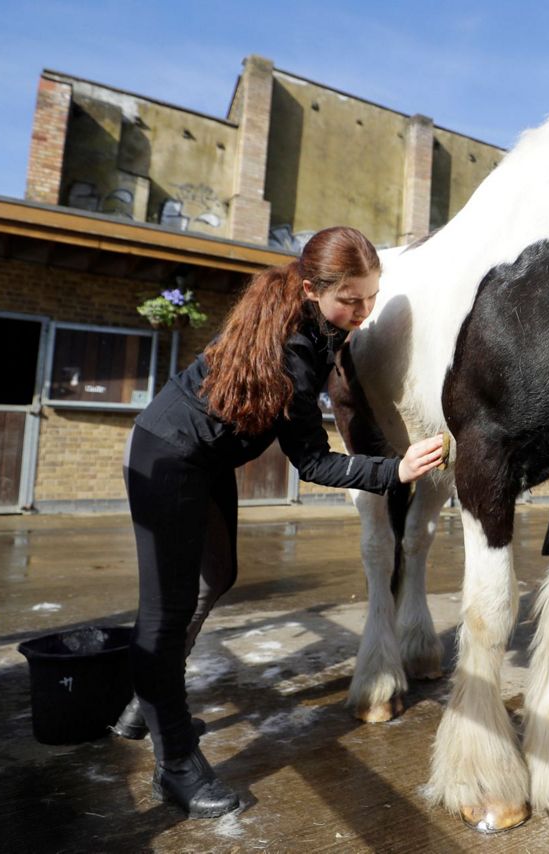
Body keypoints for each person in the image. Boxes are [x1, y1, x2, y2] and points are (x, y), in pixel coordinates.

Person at [115, 226, 444, 819]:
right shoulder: (293, 344)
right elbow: (312, 460)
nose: (364, 314)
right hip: (168, 458)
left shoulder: (304, 316)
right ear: (315, 287)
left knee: (218, 576)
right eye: (352, 300)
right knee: (162, 613)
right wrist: (396, 471)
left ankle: (149, 699)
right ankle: (177, 765)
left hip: (204, 456)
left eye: (371, 298)